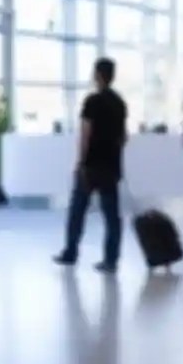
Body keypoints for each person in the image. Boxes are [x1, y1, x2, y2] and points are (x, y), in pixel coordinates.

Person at [54, 58, 128, 274]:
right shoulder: (119, 103)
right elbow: (124, 137)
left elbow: (85, 134)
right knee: (112, 215)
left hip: (91, 165)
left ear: (97, 75)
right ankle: (111, 260)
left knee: (78, 210)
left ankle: (71, 253)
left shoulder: (92, 101)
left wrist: (80, 161)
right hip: (111, 166)